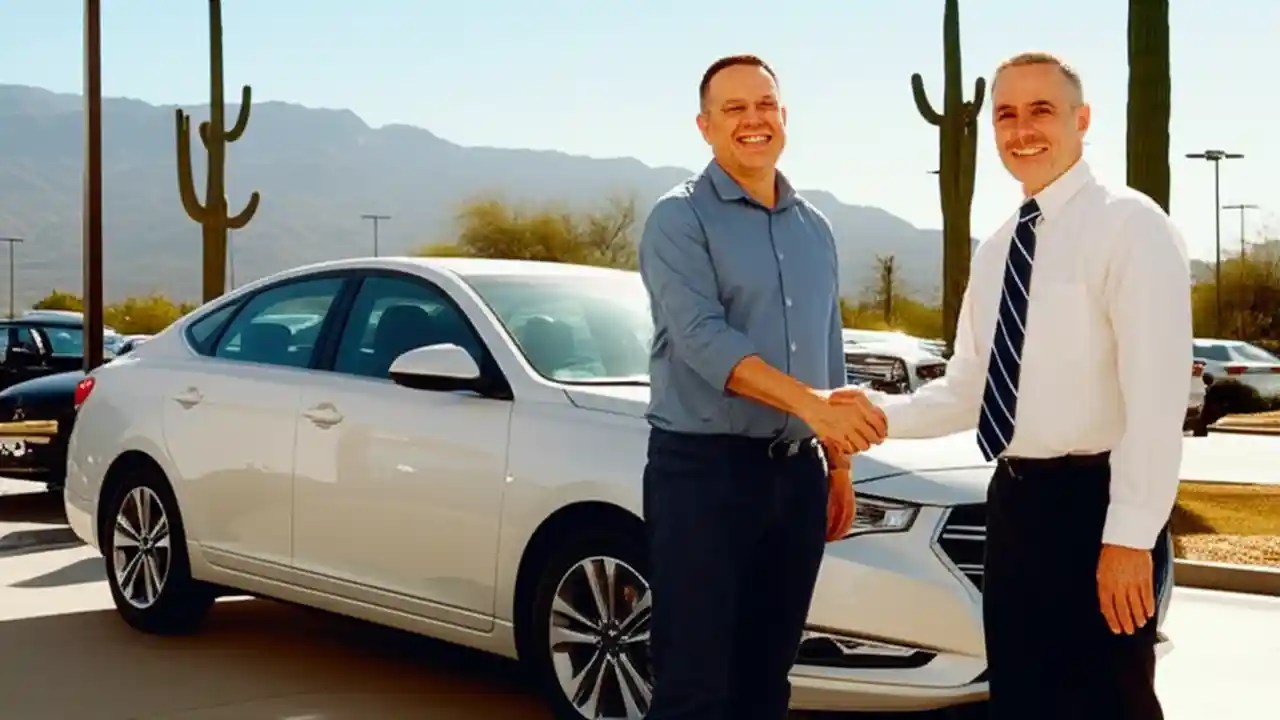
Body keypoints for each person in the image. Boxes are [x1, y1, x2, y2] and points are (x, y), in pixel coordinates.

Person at [834, 51, 1190, 719]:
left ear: (1082, 120)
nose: (1021, 128)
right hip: (1014, 507)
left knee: (1110, 704)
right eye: (1006, 114)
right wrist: (875, 415)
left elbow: (1156, 402)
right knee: (1022, 701)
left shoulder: (1132, 227)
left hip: (1098, 507)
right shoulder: (999, 246)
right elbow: (969, 389)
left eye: (1041, 110)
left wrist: (1130, 537)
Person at [637, 54, 888, 719]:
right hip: (703, 475)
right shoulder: (678, 219)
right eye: (735, 109)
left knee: (766, 682)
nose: (754, 120)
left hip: (796, 480)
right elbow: (702, 340)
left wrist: (838, 465)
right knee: (695, 686)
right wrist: (812, 408)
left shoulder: (815, 228)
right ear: (705, 126)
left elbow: (828, 342)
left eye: (766, 105)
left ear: (784, 117)